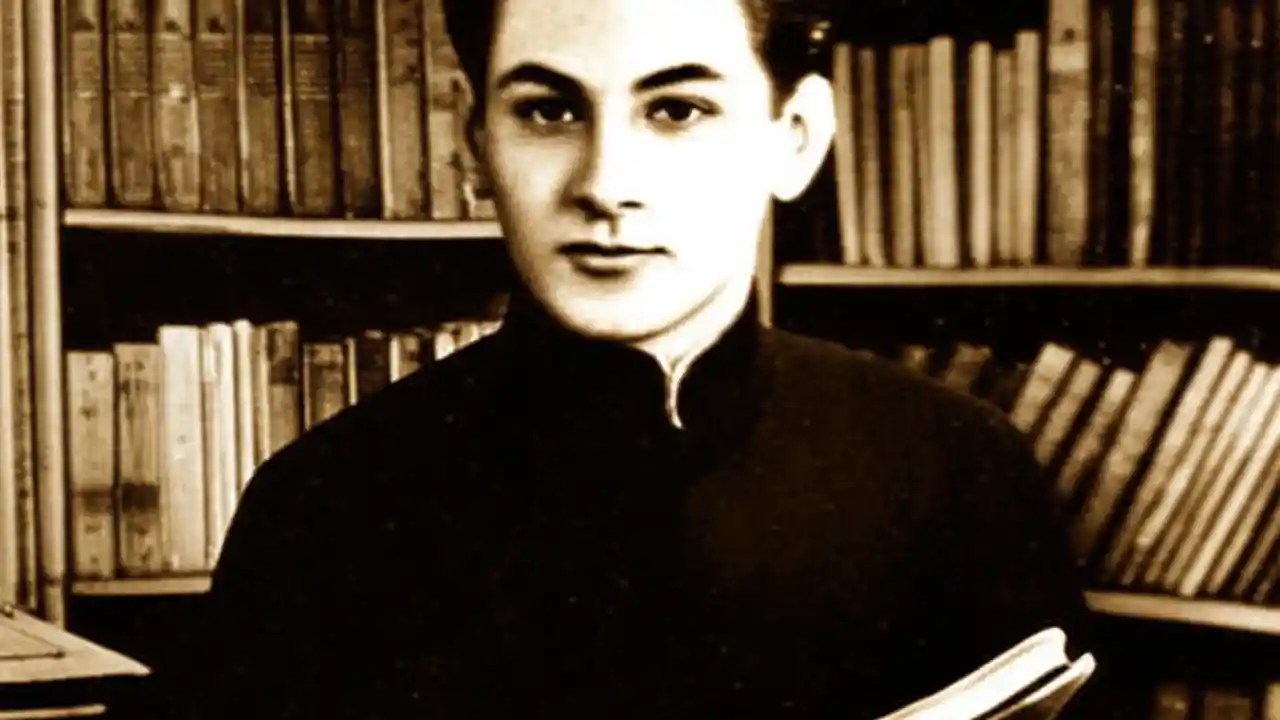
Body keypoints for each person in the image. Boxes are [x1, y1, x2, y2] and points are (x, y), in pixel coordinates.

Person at [158, 0, 1098, 717]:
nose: (607, 184)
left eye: (678, 109)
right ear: (476, 144)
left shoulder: (960, 471)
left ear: (795, 140)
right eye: (548, 110)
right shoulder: (323, 504)